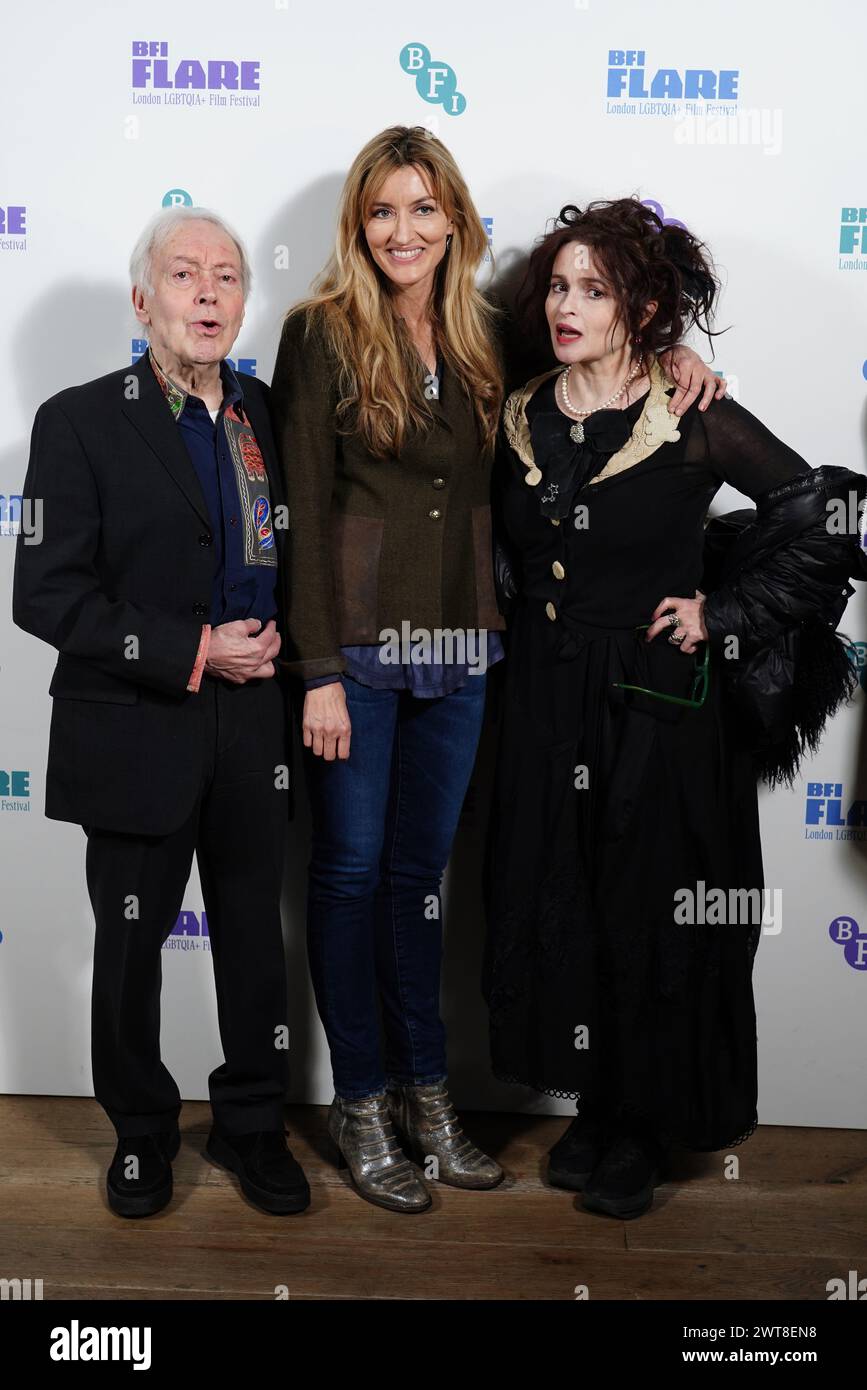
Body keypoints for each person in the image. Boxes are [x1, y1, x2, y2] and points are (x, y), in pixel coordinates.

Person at [270, 127, 722, 1213]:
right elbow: (304, 512)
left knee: (419, 886)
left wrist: (679, 359)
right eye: (382, 211)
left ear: (456, 219)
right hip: (364, 659)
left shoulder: (487, 330)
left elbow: (592, 374)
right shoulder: (320, 333)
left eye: (424, 209)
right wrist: (318, 670)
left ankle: (433, 1097)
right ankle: (364, 1104)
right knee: (348, 875)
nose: (403, 231)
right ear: (357, 225)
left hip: (470, 653)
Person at [483, 197, 867, 1220]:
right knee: (566, 897)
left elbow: (836, 512)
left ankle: (646, 1125)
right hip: (544, 704)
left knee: (650, 915)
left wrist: (726, 608)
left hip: (655, 708)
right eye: (559, 286)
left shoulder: (693, 415)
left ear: (644, 304)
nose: (567, 305)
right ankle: (599, 1106)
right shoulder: (519, 411)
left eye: (594, 289)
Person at [12, 208, 309, 1218]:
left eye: (227, 276)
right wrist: (191, 651)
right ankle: (141, 1134)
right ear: (144, 300)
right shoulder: (78, 420)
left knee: (256, 945)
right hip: (138, 725)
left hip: (256, 727)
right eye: (185, 275)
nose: (210, 293)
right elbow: (44, 593)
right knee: (132, 945)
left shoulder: (266, 413)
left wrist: (288, 656)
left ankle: (254, 1123)